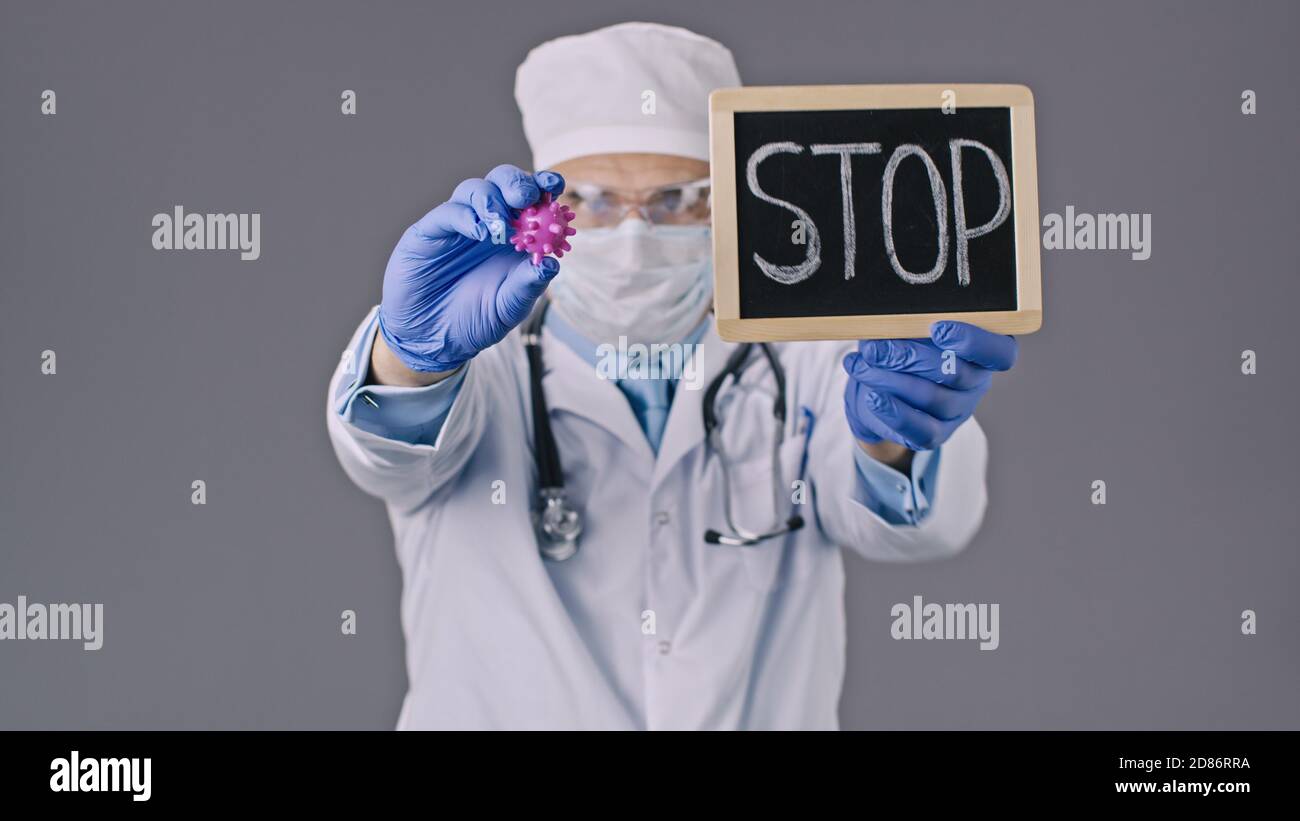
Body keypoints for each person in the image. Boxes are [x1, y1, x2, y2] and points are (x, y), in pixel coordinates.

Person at [326, 22, 1018, 729]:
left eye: (676, 201)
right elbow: (388, 457)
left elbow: (921, 524)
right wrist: (413, 356)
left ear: (728, 207)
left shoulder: (809, 361)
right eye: (590, 200)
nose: (634, 236)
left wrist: (896, 437)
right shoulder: (482, 375)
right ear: (542, 215)